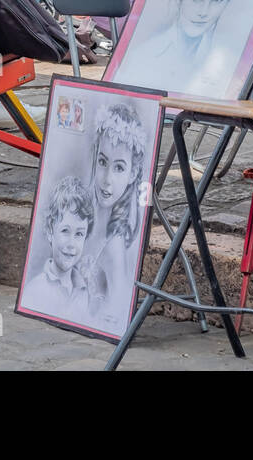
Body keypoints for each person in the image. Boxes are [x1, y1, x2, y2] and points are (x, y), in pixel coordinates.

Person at [82, 102, 150, 332]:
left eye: (119, 168)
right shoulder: (85, 222)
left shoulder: (113, 248)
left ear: (132, 173)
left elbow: (115, 310)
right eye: (103, 162)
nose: (107, 179)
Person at [23, 175, 95, 320]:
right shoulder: (35, 290)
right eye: (65, 231)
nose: (71, 244)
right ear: (50, 231)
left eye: (79, 234)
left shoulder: (84, 290)